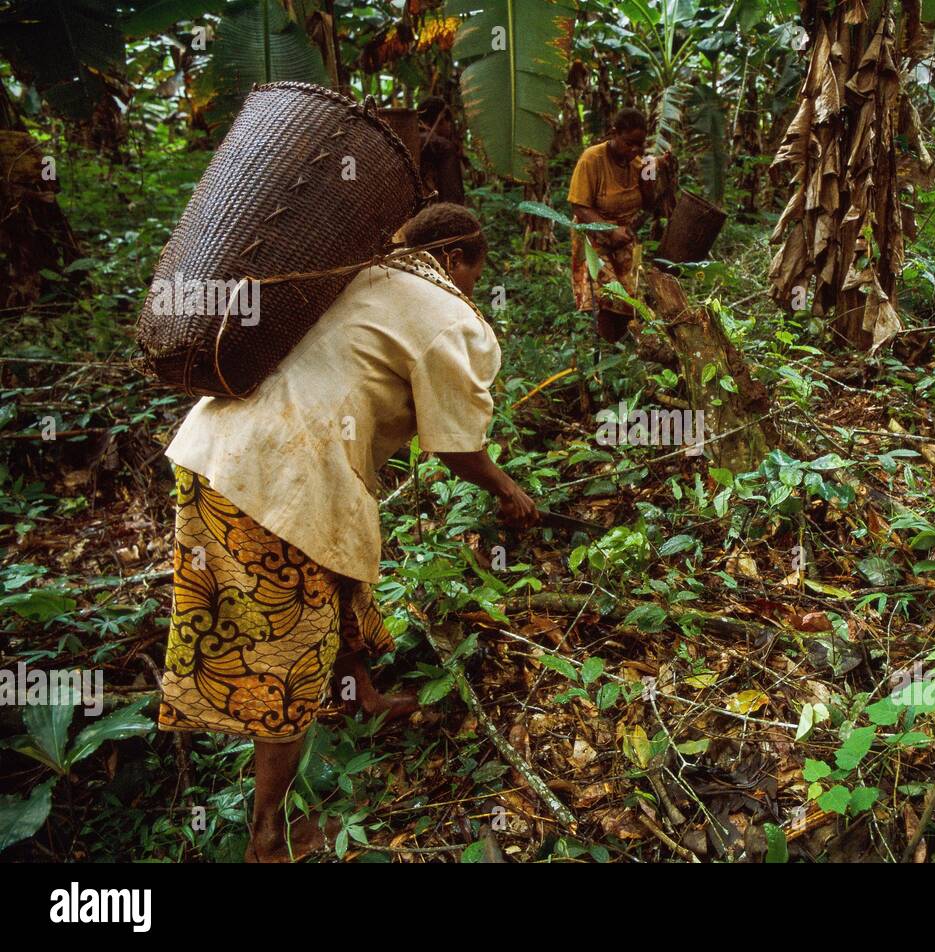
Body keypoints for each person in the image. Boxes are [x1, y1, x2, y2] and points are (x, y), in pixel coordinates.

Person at [157, 203, 538, 862]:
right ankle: (268, 837)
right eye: (476, 271)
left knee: (330, 586)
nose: (473, 286)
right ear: (456, 260)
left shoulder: (347, 274)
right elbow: (454, 446)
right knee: (286, 657)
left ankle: (361, 699)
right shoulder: (447, 315)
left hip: (211, 451)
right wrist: (508, 489)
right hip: (278, 478)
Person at [567, 107, 671, 342]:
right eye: (629, 143)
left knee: (633, 289)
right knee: (609, 291)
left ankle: (625, 340)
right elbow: (579, 206)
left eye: (640, 145)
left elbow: (648, 203)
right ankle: (606, 342)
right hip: (593, 232)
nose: (634, 150)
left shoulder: (637, 163)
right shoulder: (591, 159)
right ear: (614, 134)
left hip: (624, 234)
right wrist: (609, 230)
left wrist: (650, 173)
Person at [417, 98, 465, 204]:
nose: (449, 127)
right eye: (449, 122)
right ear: (442, 120)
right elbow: (452, 198)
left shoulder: (405, 138)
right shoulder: (443, 146)